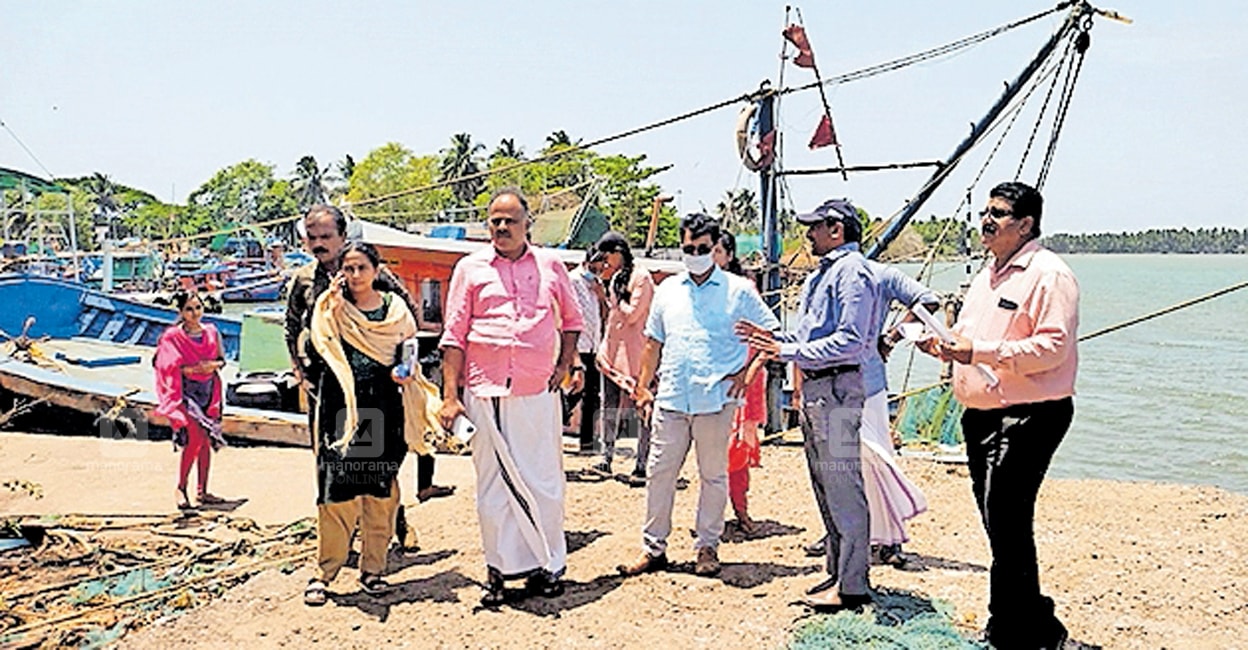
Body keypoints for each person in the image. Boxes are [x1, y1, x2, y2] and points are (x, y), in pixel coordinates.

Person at [919, 181, 1078, 649]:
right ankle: (1028, 624)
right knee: (1001, 523)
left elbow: (1052, 347)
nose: (985, 220)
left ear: (1026, 225)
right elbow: (969, 339)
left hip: (1029, 415)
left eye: (998, 213)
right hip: (982, 416)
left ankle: (1015, 629)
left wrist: (979, 351)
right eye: (984, 211)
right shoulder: (990, 273)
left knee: (1007, 519)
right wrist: (944, 345)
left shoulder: (1050, 275)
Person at [438, 188, 584, 606]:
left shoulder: (551, 265)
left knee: (543, 480)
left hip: (538, 388)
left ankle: (549, 567)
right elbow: (454, 335)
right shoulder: (469, 268)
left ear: (527, 225)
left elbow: (572, 321)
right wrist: (451, 396)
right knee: (494, 486)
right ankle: (499, 571)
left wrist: (565, 364)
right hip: (485, 390)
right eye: (495, 221)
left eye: (510, 221)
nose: (502, 228)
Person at [618, 213, 779, 579]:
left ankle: (707, 545)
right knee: (660, 473)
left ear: (715, 248)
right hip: (672, 397)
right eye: (688, 248)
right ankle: (653, 548)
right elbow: (653, 342)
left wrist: (747, 372)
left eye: (702, 248)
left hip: (716, 399)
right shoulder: (668, 290)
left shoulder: (738, 290)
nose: (695, 254)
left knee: (713, 475)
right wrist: (643, 388)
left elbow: (771, 335)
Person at [283, 204, 452, 553]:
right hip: (326, 391)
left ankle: (395, 525)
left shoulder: (374, 273)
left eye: (326, 236)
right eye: (312, 238)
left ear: (343, 236)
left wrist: (402, 368)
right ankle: (338, 545)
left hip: (375, 389)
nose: (319, 244)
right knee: (331, 466)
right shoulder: (303, 280)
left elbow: (407, 322)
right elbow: (292, 327)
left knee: (378, 463)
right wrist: (300, 373)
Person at [739, 198, 879, 611]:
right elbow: (816, 336)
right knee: (826, 486)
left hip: (835, 389)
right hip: (821, 388)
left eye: (815, 227)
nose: (809, 234)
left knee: (842, 486)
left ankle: (853, 583)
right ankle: (837, 573)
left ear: (837, 230)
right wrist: (779, 345)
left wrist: (785, 349)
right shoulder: (830, 272)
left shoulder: (851, 272)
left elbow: (850, 341)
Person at [302, 241, 441, 606]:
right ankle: (326, 573)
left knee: (379, 488)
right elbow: (317, 344)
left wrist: (406, 371)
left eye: (362, 268)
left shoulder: (395, 310)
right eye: (348, 269)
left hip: (382, 407)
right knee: (338, 491)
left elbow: (409, 349)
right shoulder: (332, 309)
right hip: (342, 409)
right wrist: (328, 305)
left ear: (376, 270)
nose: (355, 275)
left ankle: (373, 570)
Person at [803, 261, 935, 565]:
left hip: (868, 383)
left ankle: (890, 540)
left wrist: (891, 337)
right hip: (830, 386)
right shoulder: (818, 278)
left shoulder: (880, 273)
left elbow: (927, 299)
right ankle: (839, 534)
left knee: (879, 459)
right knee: (839, 467)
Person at [711, 231, 768, 535]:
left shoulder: (744, 290)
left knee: (737, 448)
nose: (711, 257)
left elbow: (764, 335)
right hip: (710, 380)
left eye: (717, 251)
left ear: (728, 255)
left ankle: (740, 509)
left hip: (742, 379)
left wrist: (746, 373)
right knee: (711, 450)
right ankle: (715, 512)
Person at [592, 231, 656, 486]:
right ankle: (605, 457)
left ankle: (642, 464)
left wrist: (616, 296)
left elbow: (632, 315)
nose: (606, 264)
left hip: (636, 353)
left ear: (618, 252)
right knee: (608, 405)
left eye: (608, 258)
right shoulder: (617, 277)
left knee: (642, 407)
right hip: (612, 351)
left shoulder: (643, 278)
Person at [153, 290, 228, 511]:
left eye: (198, 308)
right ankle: (181, 487)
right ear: (181, 312)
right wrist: (191, 369)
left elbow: (221, 361)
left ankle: (202, 491)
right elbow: (163, 364)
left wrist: (210, 367)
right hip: (184, 392)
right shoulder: (172, 336)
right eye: (189, 309)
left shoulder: (212, 332)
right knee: (194, 437)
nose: (195, 313)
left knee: (205, 440)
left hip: (209, 391)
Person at [565, 243, 607, 454]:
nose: (600, 268)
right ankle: (562, 415)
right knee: (574, 388)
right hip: (578, 346)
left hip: (594, 345)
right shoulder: (573, 280)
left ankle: (587, 442)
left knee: (592, 394)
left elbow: (603, 314)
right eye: (598, 263)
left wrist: (601, 296)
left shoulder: (597, 284)